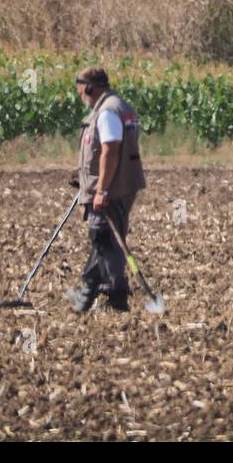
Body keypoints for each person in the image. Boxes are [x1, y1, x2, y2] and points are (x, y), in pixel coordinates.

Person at [66, 67, 146, 313]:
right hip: (120, 184)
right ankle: (88, 290)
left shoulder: (107, 111)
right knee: (105, 239)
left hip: (112, 187)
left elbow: (111, 150)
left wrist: (101, 189)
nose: (79, 95)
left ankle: (115, 297)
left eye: (79, 89)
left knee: (104, 239)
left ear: (89, 88)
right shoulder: (118, 106)